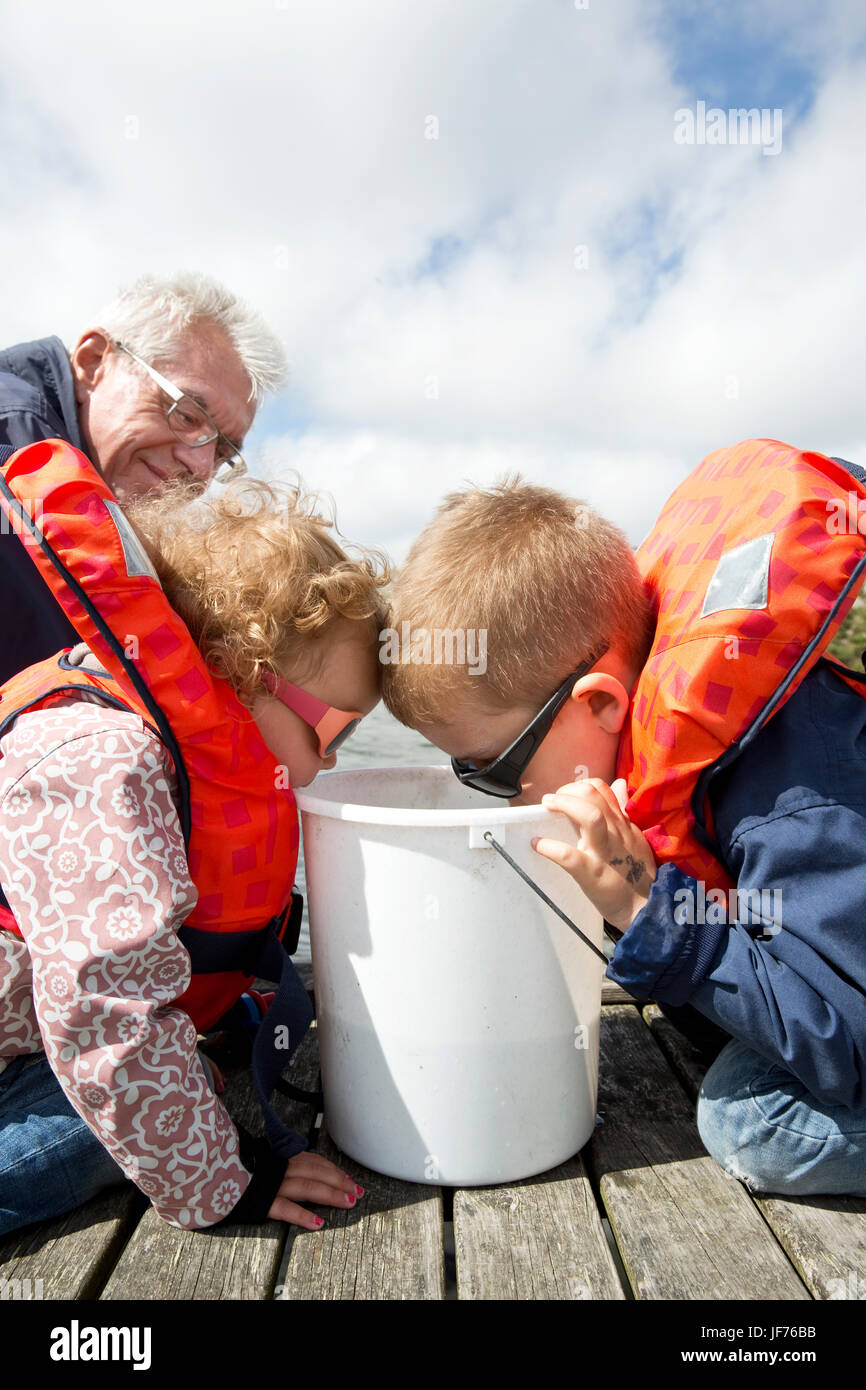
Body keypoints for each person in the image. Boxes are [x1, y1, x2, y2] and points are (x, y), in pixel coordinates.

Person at [381, 446, 866, 1198]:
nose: (501, 801)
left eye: (493, 769)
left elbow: (852, 1039)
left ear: (602, 703)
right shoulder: (685, 734)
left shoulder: (792, 795)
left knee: (750, 1121)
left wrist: (652, 915)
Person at [0, 464, 388, 1235]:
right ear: (248, 676)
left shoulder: (187, 741)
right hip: (42, 1044)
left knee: (180, 1079)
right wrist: (225, 1178)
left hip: (31, 1035)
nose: (339, 757)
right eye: (338, 726)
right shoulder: (101, 761)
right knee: (117, 1124)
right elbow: (105, 1014)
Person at [0, 272, 287, 683]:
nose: (201, 466)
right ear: (93, 361)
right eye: (187, 414)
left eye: (223, 451)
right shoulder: (9, 453)